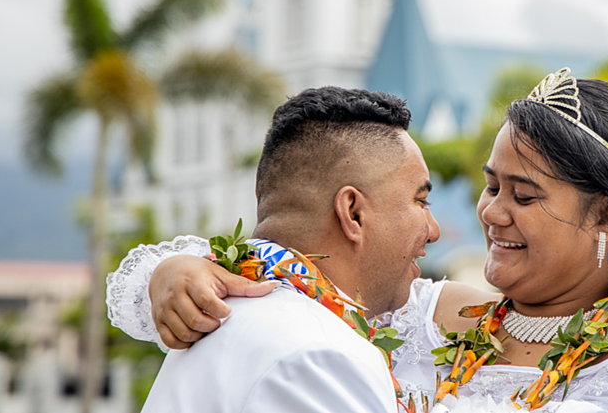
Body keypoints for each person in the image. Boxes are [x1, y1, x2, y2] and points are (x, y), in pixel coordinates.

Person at [110, 67, 608, 412]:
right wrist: (169, 271)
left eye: (523, 193)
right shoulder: (445, 316)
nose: (488, 211)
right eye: (491, 183)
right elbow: (301, 278)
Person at [111, 87, 441, 412]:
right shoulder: (319, 354)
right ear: (353, 213)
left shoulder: (224, 312)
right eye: (420, 201)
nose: (434, 230)